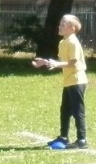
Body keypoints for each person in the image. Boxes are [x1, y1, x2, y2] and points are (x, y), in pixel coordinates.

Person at [31, 13, 88, 150]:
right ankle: (63, 137)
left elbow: (73, 63)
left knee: (77, 111)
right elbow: (63, 62)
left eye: (63, 24)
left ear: (72, 28)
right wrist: (46, 62)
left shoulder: (73, 42)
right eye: (60, 24)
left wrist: (56, 64)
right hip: (69, 81)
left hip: (77, 80)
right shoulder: (63, 42)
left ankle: (82, 140)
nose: (60, 26)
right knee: (65, 110)